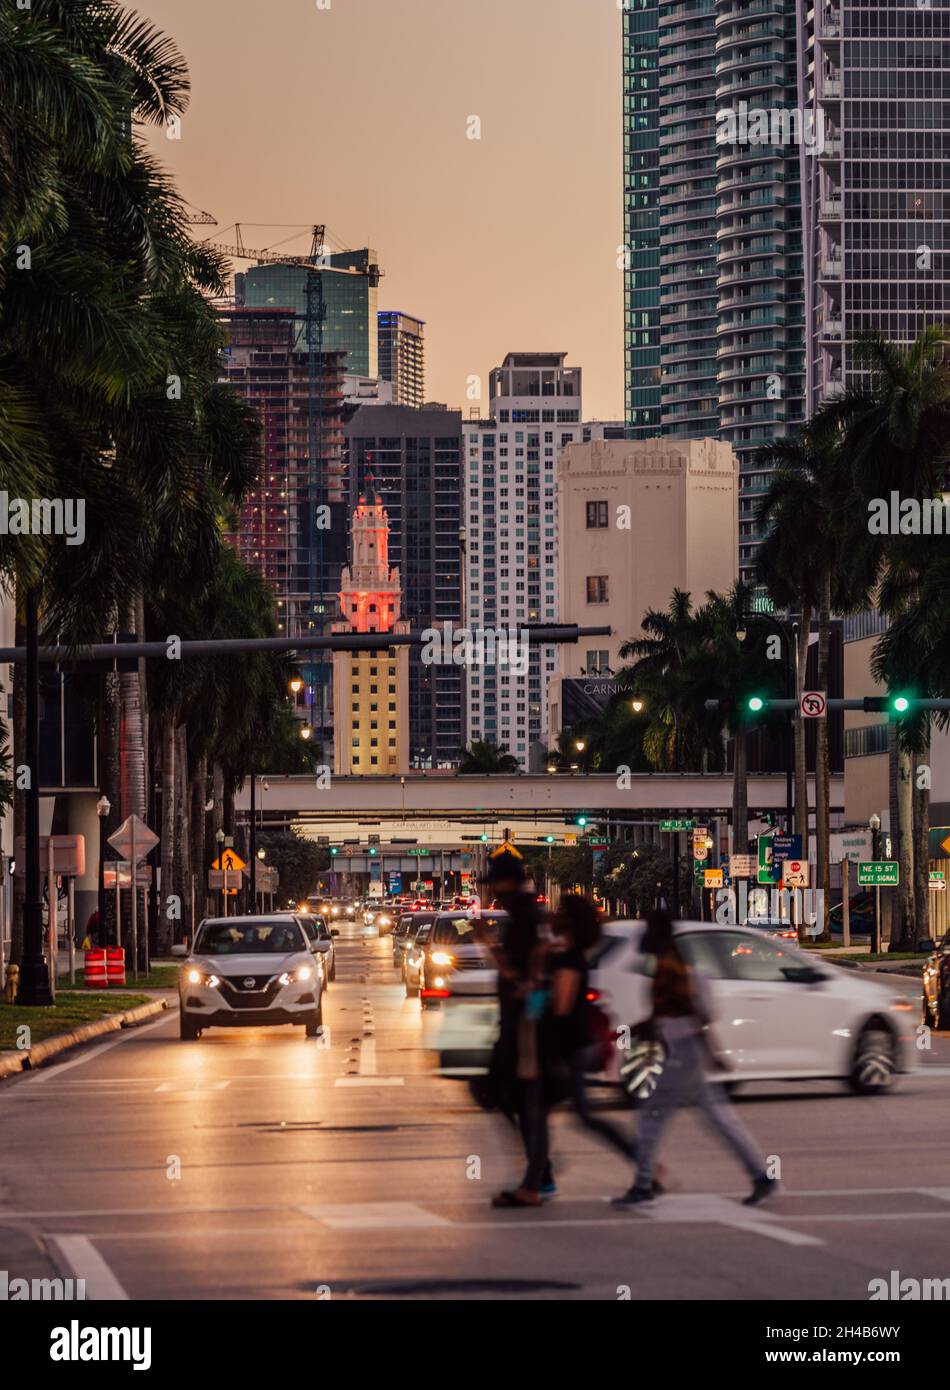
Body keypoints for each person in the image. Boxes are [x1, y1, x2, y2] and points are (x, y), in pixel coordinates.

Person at [612, 908, 779, 1209]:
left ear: (657, 934)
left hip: (682, 1055)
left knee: (649, 1118)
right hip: (688, 1053)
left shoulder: (669, 969)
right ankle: (761, 1176)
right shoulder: (669, 965)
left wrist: (624, 1034)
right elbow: (687, 1016)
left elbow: (683, 1015)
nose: (642, 938)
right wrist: (711, 1053)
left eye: (647, 931)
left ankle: (643, 1183)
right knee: (720, 1119)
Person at [476, 849, 554, 1208]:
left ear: (507, 882)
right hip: (521, 1023)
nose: (491, 890)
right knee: (513, 1098)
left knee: (516, 1098)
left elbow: (521, 974)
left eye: (494, 882)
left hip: (526, 1027)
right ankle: (540, 1172)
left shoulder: (525, 916)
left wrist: (487, 944)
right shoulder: (526, 913)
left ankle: (536, 1180)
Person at [548, 896, 632, 1165]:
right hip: (573, 1045)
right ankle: (541, 1169)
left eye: (560, 912)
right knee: (577, 1114)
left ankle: (542, 1169)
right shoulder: (568, 955)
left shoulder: (570, 960)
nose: (554, 915)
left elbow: (561, 1007)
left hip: (570, 1047)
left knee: (545, 1110)